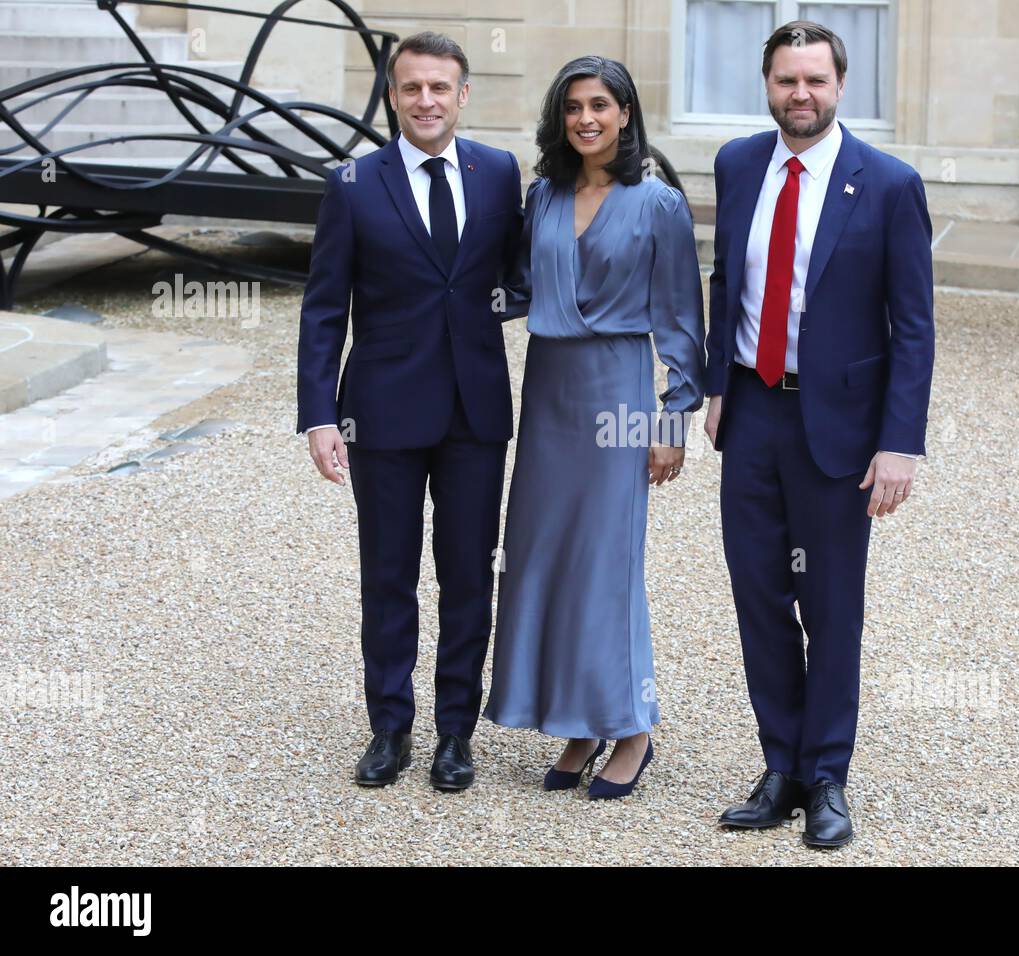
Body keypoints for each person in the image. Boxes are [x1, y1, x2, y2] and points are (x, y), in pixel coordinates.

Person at [705, 21, 935, 848]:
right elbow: (727, 276)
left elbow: (913, 327)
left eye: (815, 81)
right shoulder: (737, 165)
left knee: (831, 607)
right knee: (760, 596)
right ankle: (781, 767)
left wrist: (900, 442)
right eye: (785, 81)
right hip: (754, 412)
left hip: (839, 428)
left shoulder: (888, 184)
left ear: (841, 85)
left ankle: (828, 777)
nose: (799, 95)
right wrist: (715, 382)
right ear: (766, 84)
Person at [296, 32, 525, 790]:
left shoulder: (498, 174)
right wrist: (319, 413)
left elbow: (521, 277)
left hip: (474, 414)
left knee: (468, 576)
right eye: (412, 88)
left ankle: (455, 732)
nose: (426, 100)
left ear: (463, 95)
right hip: (383, 413)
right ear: (392, 97)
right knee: (387, 575)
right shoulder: (354, 182)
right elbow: (325, 307)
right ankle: (389, 727)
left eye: (441, 87)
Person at [482, 55, 706, 800]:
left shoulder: (658, 202)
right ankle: (581, 721)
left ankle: (632, 725)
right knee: (545, 557)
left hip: (616, 390)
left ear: (626, 114)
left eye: (601, 105)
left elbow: (679, 317)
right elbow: (513, 290)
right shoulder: (542, 195)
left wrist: (673, 418)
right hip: (548, 391)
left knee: (608, 562)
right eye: (574, 105)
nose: (586, 118)